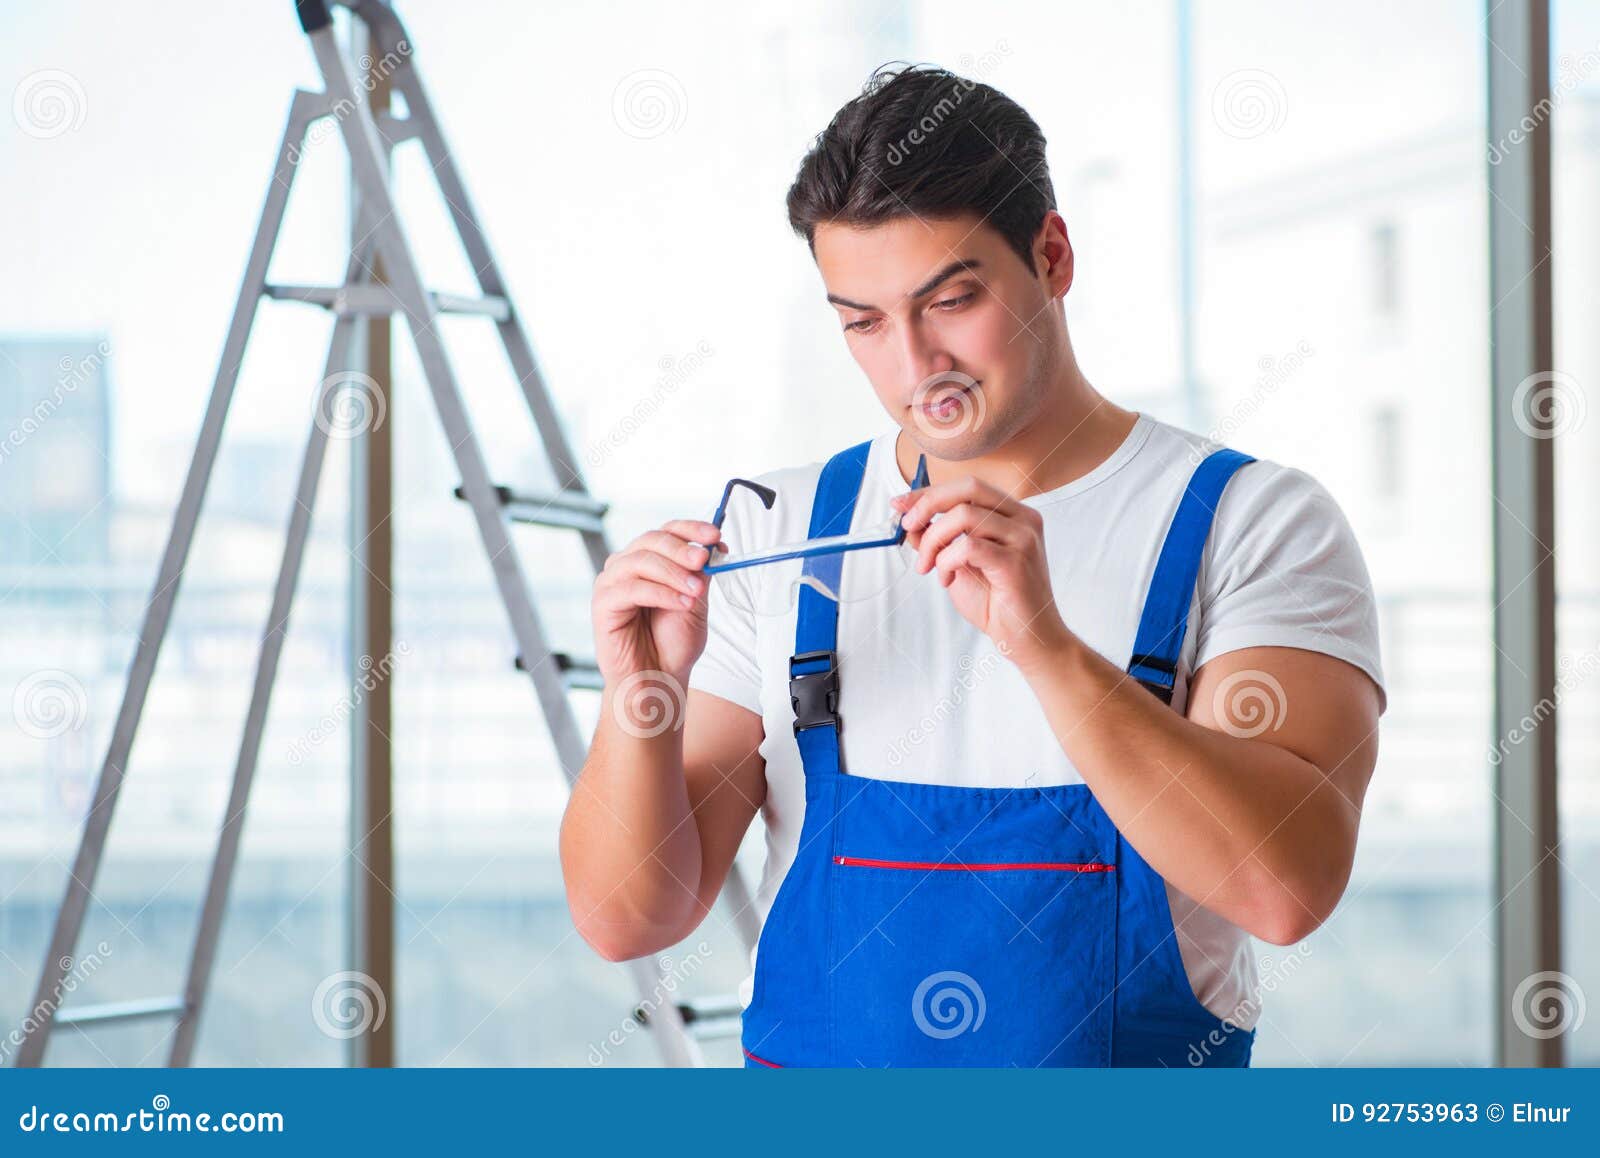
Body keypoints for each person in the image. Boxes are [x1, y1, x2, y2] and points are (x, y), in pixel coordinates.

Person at [560, 63, 1385, 1068]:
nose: (914, 366)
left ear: (1051, 255)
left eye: (949, 300)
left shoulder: (1248, 524)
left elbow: (1284, 889)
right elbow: (627, 920)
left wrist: (1043, 648)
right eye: (861, 321)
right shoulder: (781, 532)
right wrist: (640, 697)